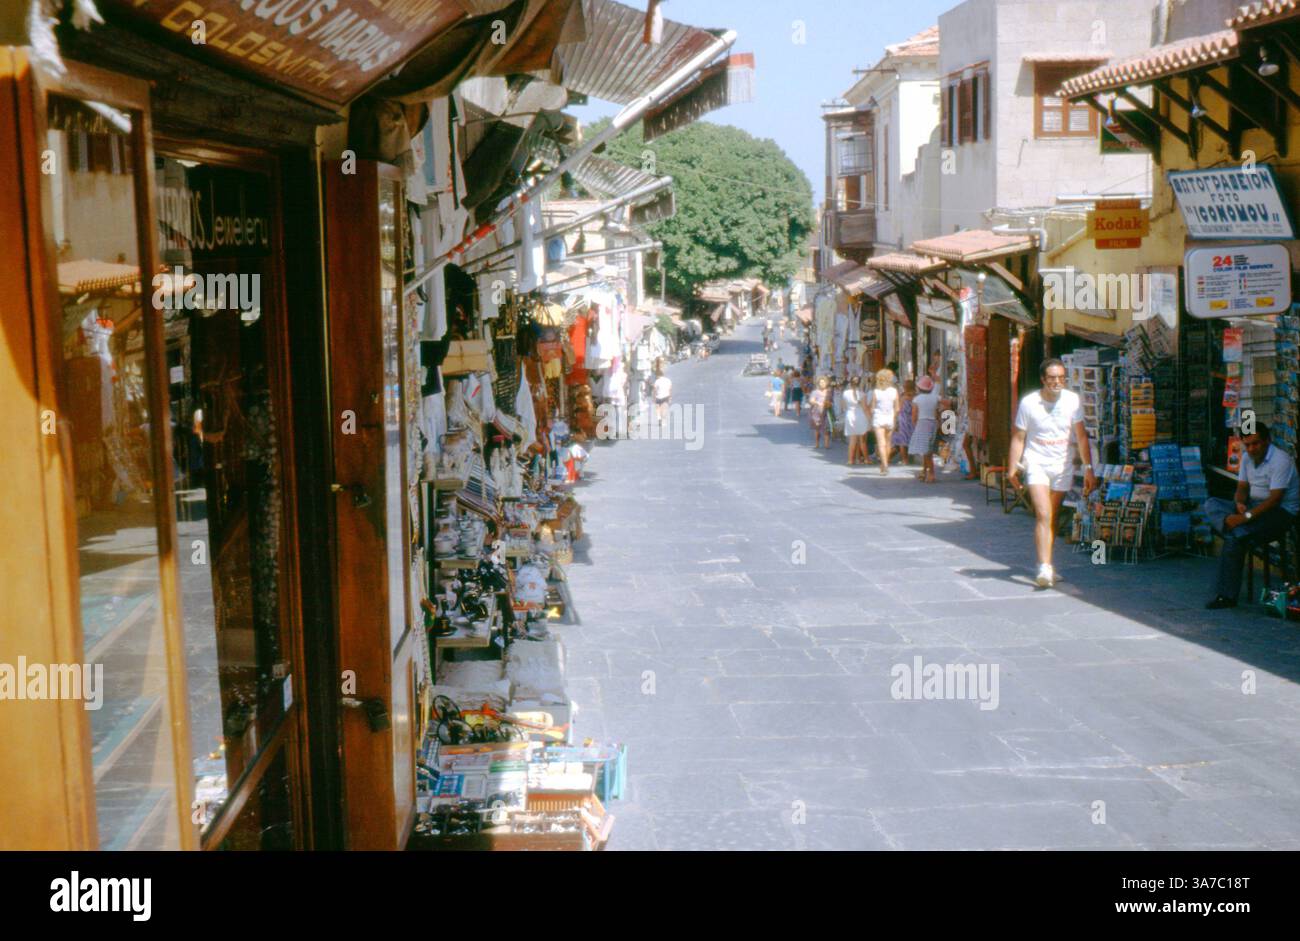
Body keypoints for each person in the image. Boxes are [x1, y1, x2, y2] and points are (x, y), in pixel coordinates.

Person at [1006, 358, 1097, 589]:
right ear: (1043, 379)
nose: (1057, 382)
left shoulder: (1072, 400)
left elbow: (1082, 436)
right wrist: (1012, 468)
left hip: (1063, 464)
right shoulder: (1029, 403)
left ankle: (1048, 563)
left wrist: (1088, 469)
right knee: (1043, 513)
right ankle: (1044, 567)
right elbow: (1019, 437)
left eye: (1061, 378)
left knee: (1052, 516)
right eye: (1052, 378)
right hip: (1036, 462)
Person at [1202, 424, 1300, 609]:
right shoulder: (1247, 458)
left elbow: (1274, 500)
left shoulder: (1281, 460)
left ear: (1267, 441)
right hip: (1252, 507)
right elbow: (1242, 488)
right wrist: (1239, 503)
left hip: (1280, 513)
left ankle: (1226, 596)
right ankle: (1232, 527)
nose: (1252, 449)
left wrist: (1243, 518)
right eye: (1247, 445)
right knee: (1211, 504)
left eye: (1256, 444)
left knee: (1235, 537)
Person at [910, 376, 942, 483]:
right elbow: (942, 408)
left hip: (922, 423)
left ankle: (931, 473)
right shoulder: (935, 397)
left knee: (926, 451)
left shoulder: (917, 399)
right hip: (933, 424)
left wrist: (915, 426)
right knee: (928, 449)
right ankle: (924, 471)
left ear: (919, 388)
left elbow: (914, 415)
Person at [868, 368, 900, 476]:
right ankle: (885, 464)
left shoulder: (876, 392)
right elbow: (897, 408)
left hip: (879, 418)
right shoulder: (894, 391)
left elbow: (872, 408)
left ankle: (884, 465)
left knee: (881, 443)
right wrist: (893, 417)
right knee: (888, 443)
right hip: (889, 418)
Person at [842, 376, 869, 466]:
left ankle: (850, 460)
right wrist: (870, 419)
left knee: (852, 440)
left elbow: (843, 406)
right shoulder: (862, 394)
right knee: (862, 440)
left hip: (850, 416)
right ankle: (866, 459)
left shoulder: (845, 393)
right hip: (860, 416)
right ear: (860, 383)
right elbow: (865, 408)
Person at [893, 379, 916, 466]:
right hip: (912, 419)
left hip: (903, 420)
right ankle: (911, 458)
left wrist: (895, 420)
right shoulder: (916, 396)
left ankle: (904, 460)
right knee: (912, 439)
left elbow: (898, 409)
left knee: (903, 441)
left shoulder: (903, 397)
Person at [809, 376, 831, 449]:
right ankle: (817, 443)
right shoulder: (815, 392)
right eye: (821, 382)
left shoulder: (829, 392)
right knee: (817, 429)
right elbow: (811, 401)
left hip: (827, 412)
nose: (822, 384)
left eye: (823, 382)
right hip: (817, 413)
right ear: (818, 383)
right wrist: (817, 403)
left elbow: (832, 401)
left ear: (826, 383)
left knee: (827, 428)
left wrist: (829, 404)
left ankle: (826, 444)